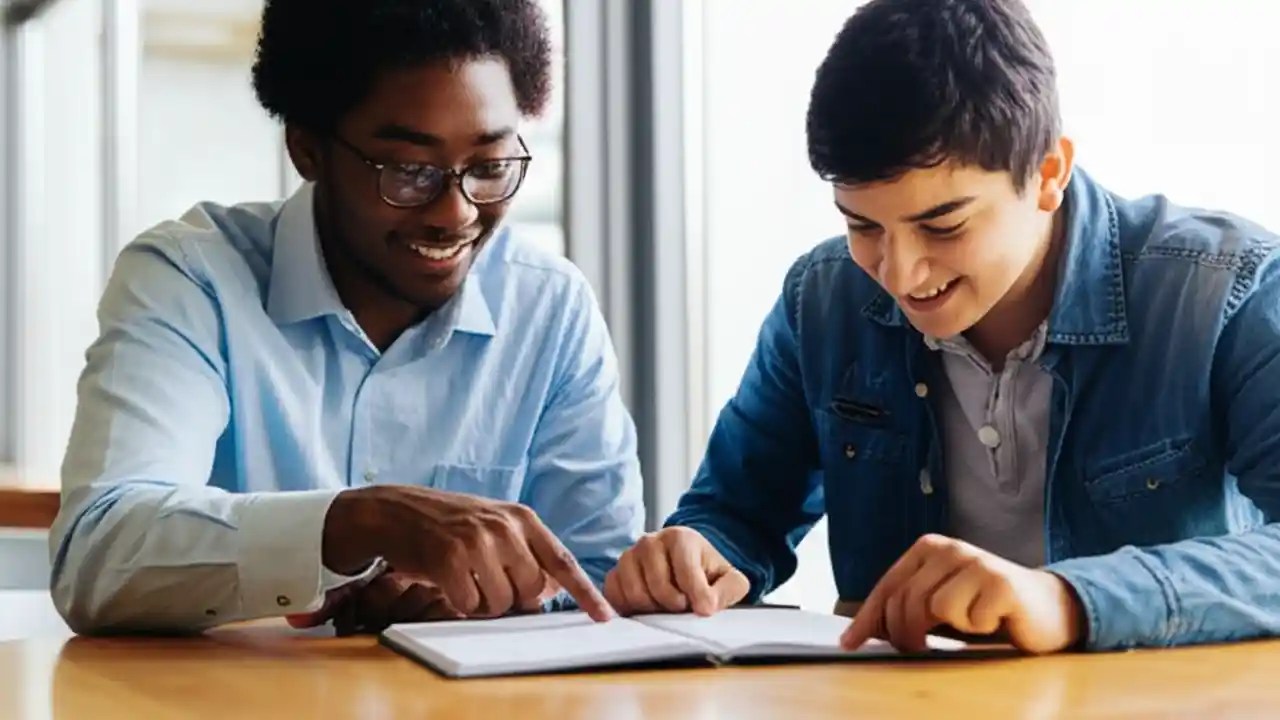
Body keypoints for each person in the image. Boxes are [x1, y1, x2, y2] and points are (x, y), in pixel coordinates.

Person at [604, 0, 1280, 654]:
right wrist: (697, 556)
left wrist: (1069, 599)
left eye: (943, 225)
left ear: (1049, 173)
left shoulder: (1224, 290)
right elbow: (735, 516)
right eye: (862, 225)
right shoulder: (823, 299)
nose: (900, 273)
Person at [50, 0, 641, 634]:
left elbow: (601, 581)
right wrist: (359, 524)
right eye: (410, 172)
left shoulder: (549, 307)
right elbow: (99, 556)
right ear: (307, 148)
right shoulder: (193, 281)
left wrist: (486, 603)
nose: (455, 213)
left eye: (490, 167)